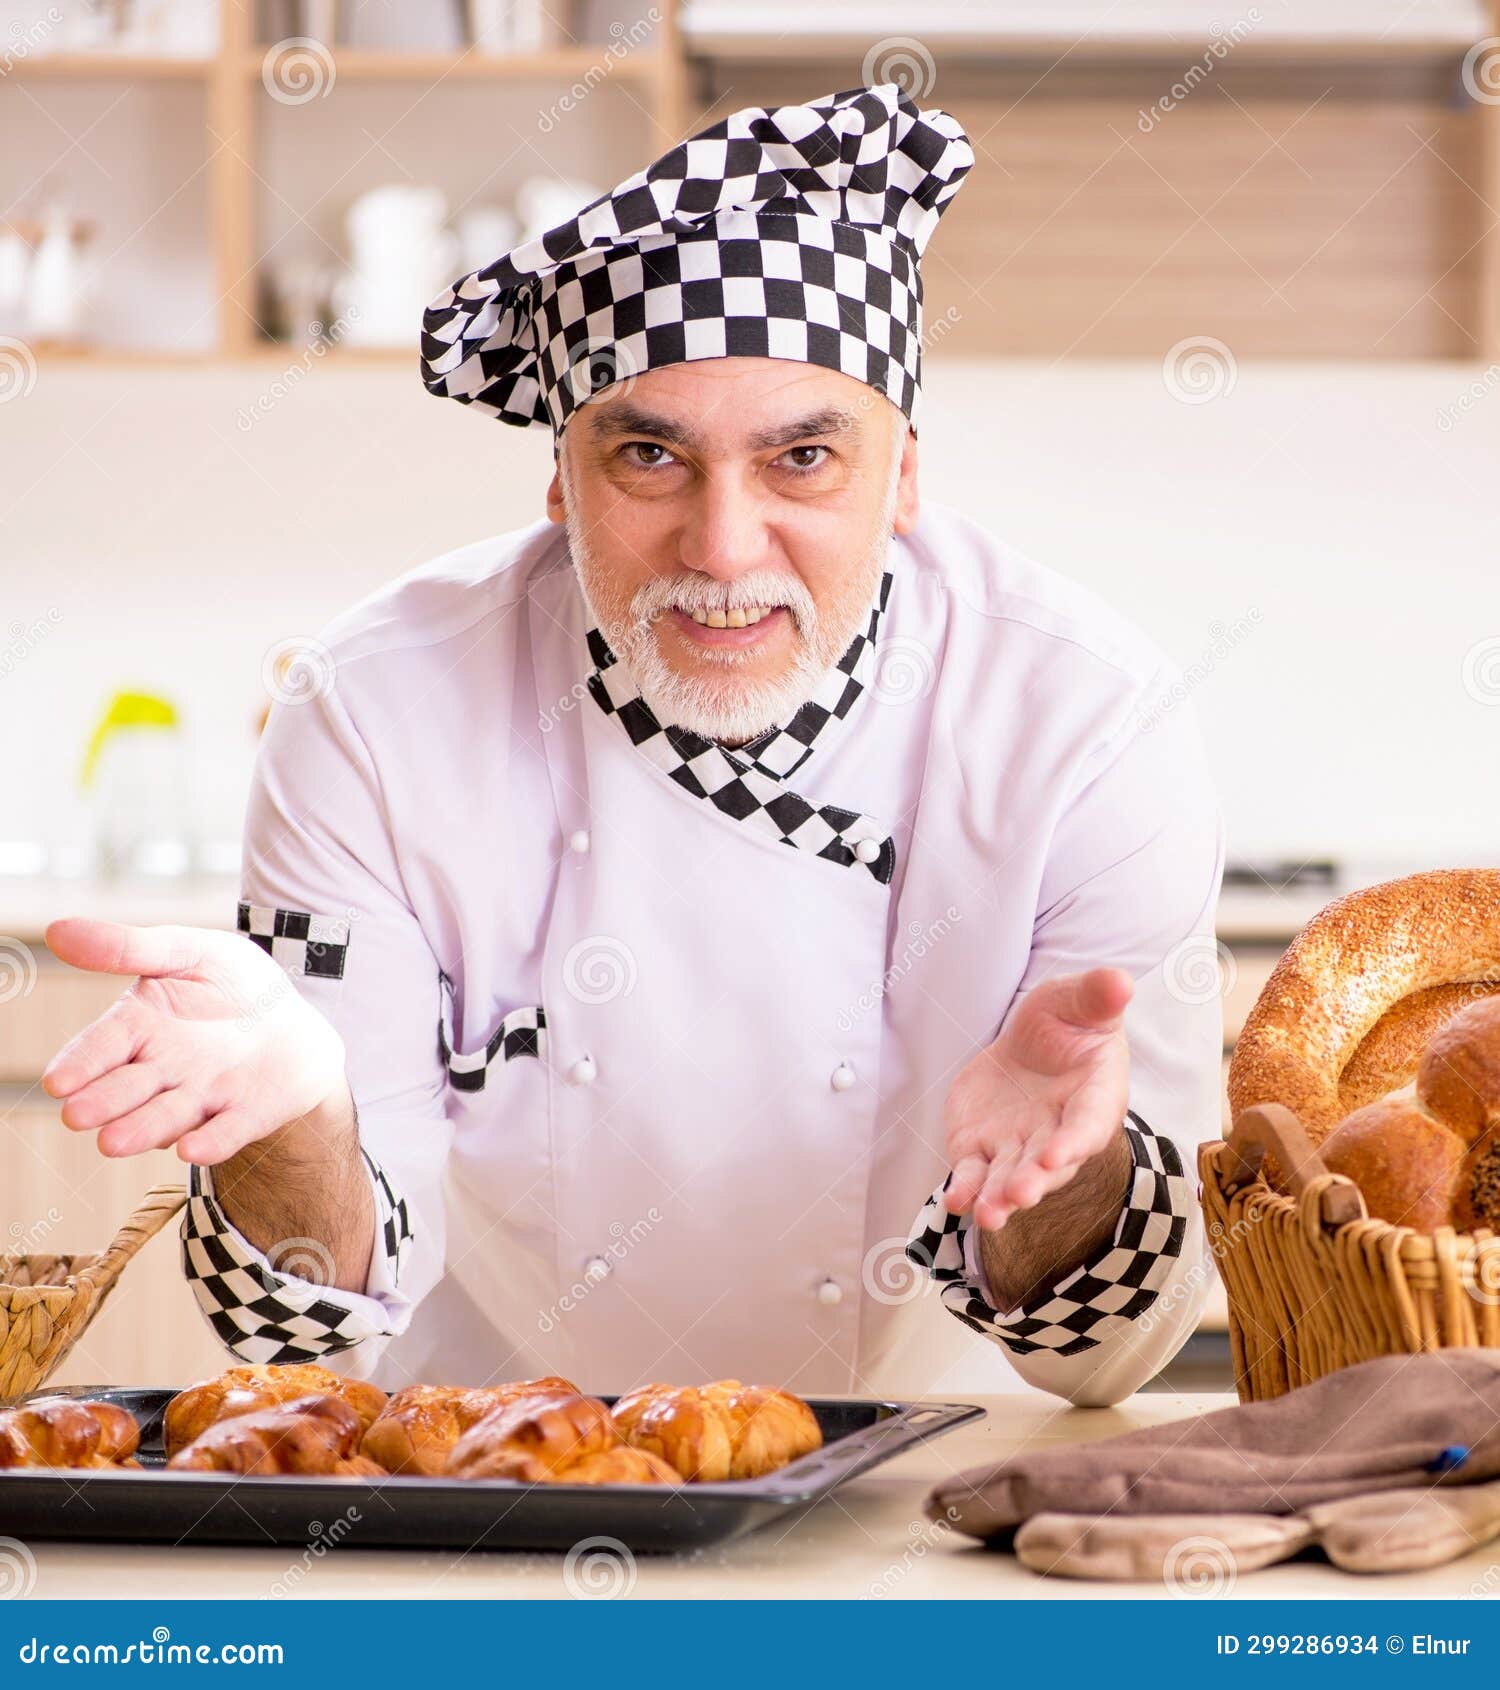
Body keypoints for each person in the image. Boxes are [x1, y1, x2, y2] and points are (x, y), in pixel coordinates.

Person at [42, 85, 1222, 1405]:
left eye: (804, 459)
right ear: (558, 476)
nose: (722, 545)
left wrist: (1058, 1178)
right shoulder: (375, 714)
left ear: (902, 477)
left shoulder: (1086, 721)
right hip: (498, 1491)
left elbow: (1115, 1356)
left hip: (934, 1499)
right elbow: (301, 1333)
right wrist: (297, 1119)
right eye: (650, 455)